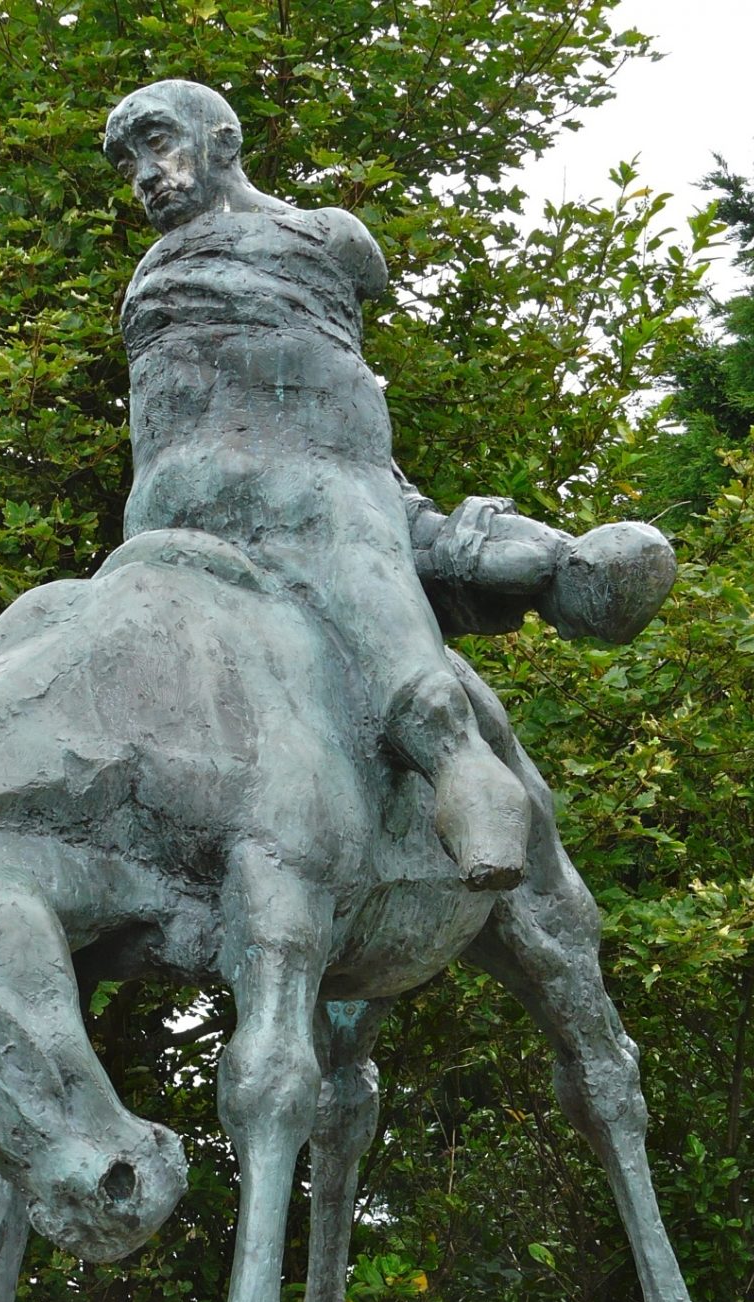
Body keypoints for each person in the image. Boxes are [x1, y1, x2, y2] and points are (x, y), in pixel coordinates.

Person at [103, 78, 530, 889]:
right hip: (169, 510)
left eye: (158, 143)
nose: (144, 175)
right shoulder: (149, 280)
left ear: (221, 140)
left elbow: (337, 393)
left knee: (360, 568)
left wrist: (379, 496)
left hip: (313, 478)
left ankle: (461, 764)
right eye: (128, 162)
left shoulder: (327, 237)